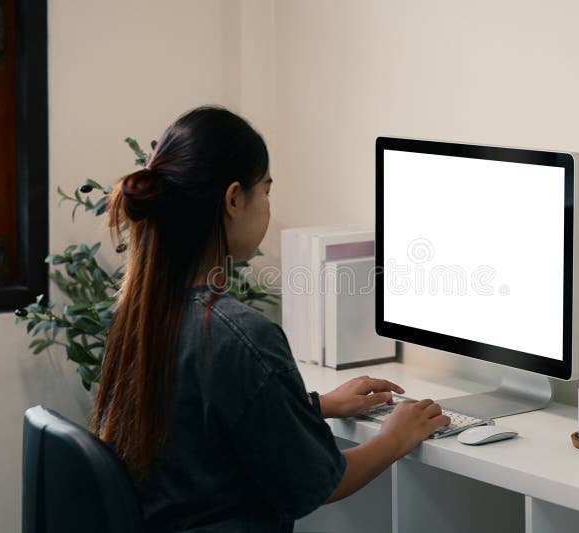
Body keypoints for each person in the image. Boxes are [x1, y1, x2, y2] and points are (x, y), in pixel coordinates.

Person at [89, 105, 451, 533]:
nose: (268, 206)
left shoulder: (139, 316)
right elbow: (319, 483)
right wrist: (396, 436)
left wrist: (316, 406)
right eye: (266, 190)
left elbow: (203, 426)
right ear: (234, 199)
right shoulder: (240, 336)